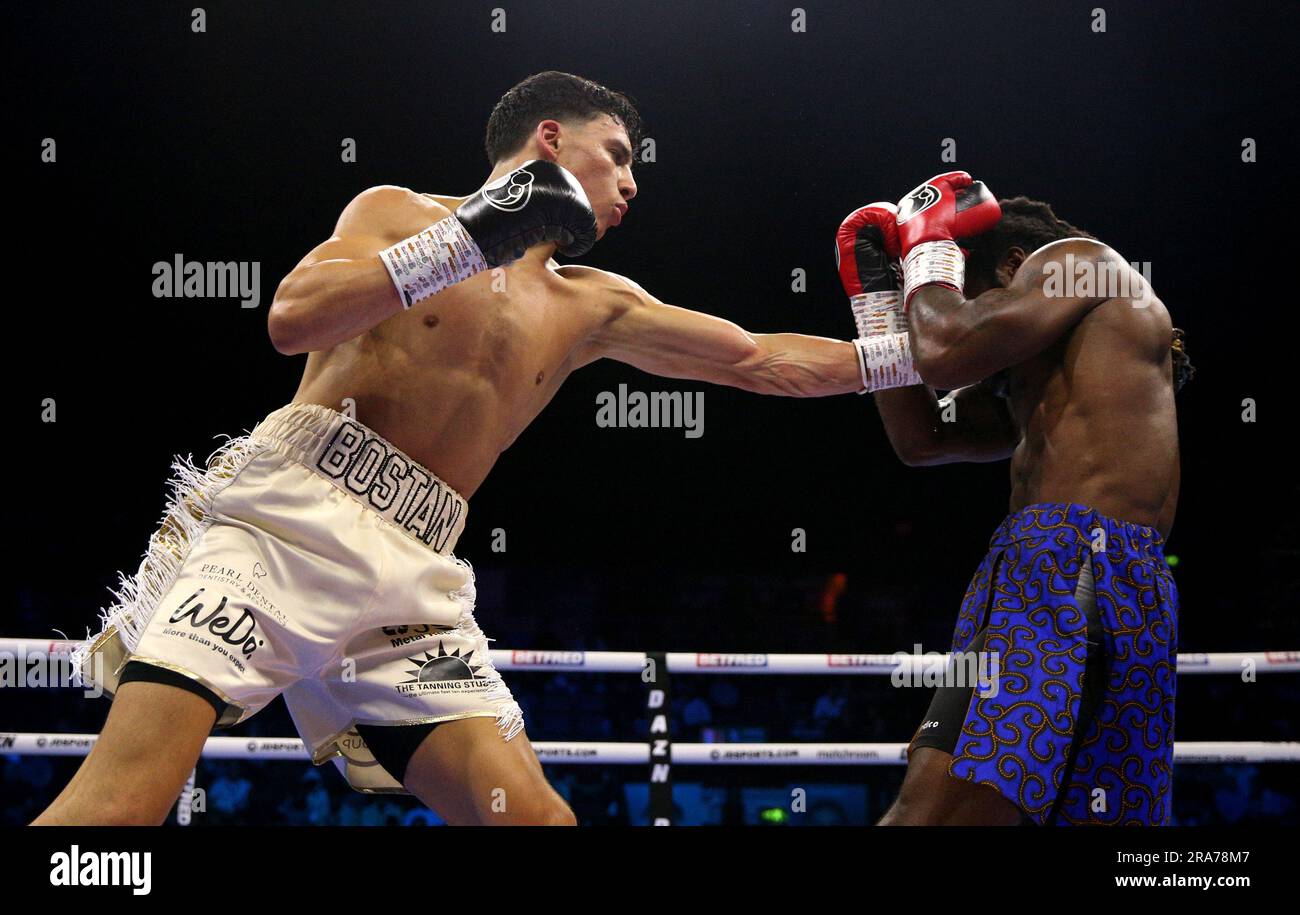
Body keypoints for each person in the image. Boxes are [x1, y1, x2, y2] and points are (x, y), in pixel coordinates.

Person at [35, 71, 915, 826]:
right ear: (549, 137)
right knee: (122, 807)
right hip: (283, 526)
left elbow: (764, 361)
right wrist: (466, 240)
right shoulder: (399, 211)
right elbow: (292, 319)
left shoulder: (592, 304)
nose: (632, 185)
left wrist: (915, 332)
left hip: (413, 574)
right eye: (618, 155)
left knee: (537, 817)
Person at [836, 172, 1191, 825]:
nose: (941, 307)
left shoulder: (1080, 262)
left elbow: (944, 346)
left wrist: (927, 250)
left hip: (1067, 566)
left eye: (963, 292)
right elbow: (922, 438)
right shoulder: (1049, 375)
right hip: (1094, 575)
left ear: (1013, 264)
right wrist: (881, 304)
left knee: (930, 812)